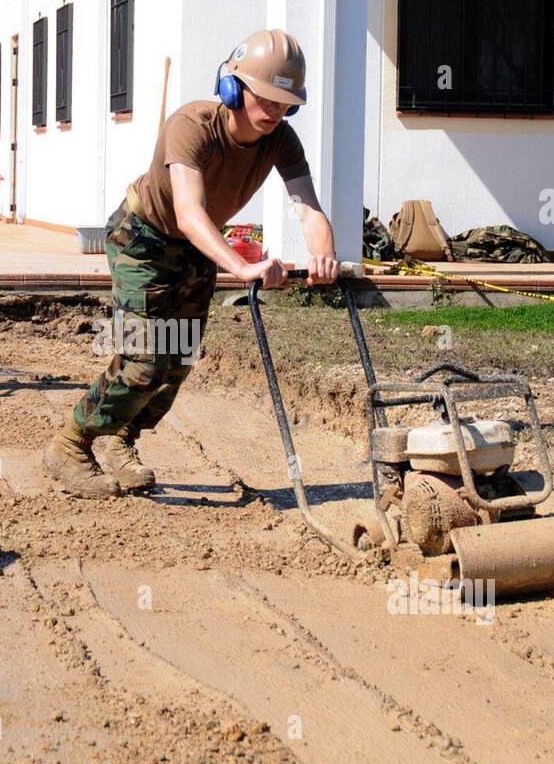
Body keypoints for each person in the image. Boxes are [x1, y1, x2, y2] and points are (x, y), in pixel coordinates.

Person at [44, 28, 341, 498]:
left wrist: (324, 254)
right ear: (232, 88)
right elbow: (188, 212)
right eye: (265, 99)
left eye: (285, 104)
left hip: (195, 249)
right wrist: (242, 268)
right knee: (145, 358)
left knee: (178, 357)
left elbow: (307, 206)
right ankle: (71, 444)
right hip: (142, 240)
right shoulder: (191, 126)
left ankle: (123, 440)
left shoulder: (280, 140)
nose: (275, 112)